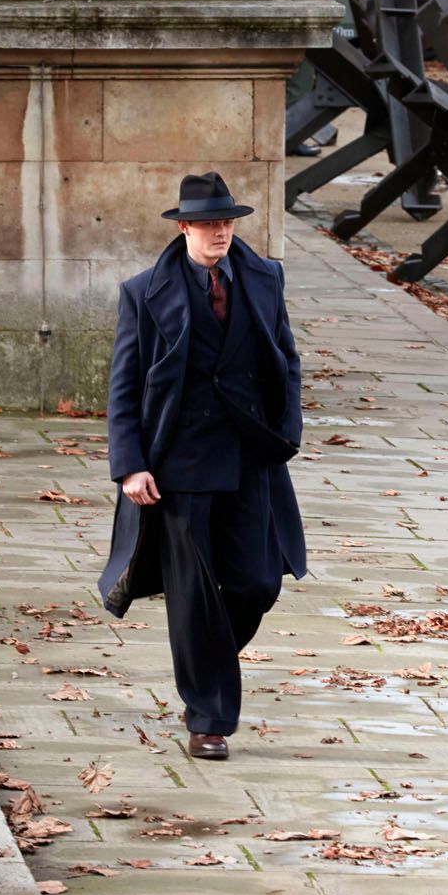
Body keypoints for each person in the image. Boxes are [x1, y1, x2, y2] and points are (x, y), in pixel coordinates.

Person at [98, 172, 307, 762]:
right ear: (184, 226)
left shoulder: (265, 277)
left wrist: (286, 432)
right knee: (193, 596)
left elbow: (286, 358)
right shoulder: (143, 292)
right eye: (210, 224)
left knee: (258, 582)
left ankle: (206, 663)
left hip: (249, 454)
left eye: (228, 222)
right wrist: (129, 465)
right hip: (179, 463)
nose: (221, 233)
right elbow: (124, 387)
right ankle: (208, 720)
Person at [276, 0, 329, 157]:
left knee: (303, 84)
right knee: (297, 88)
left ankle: (290, 138)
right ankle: (286, 138)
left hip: (303, 35)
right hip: (296, 36)